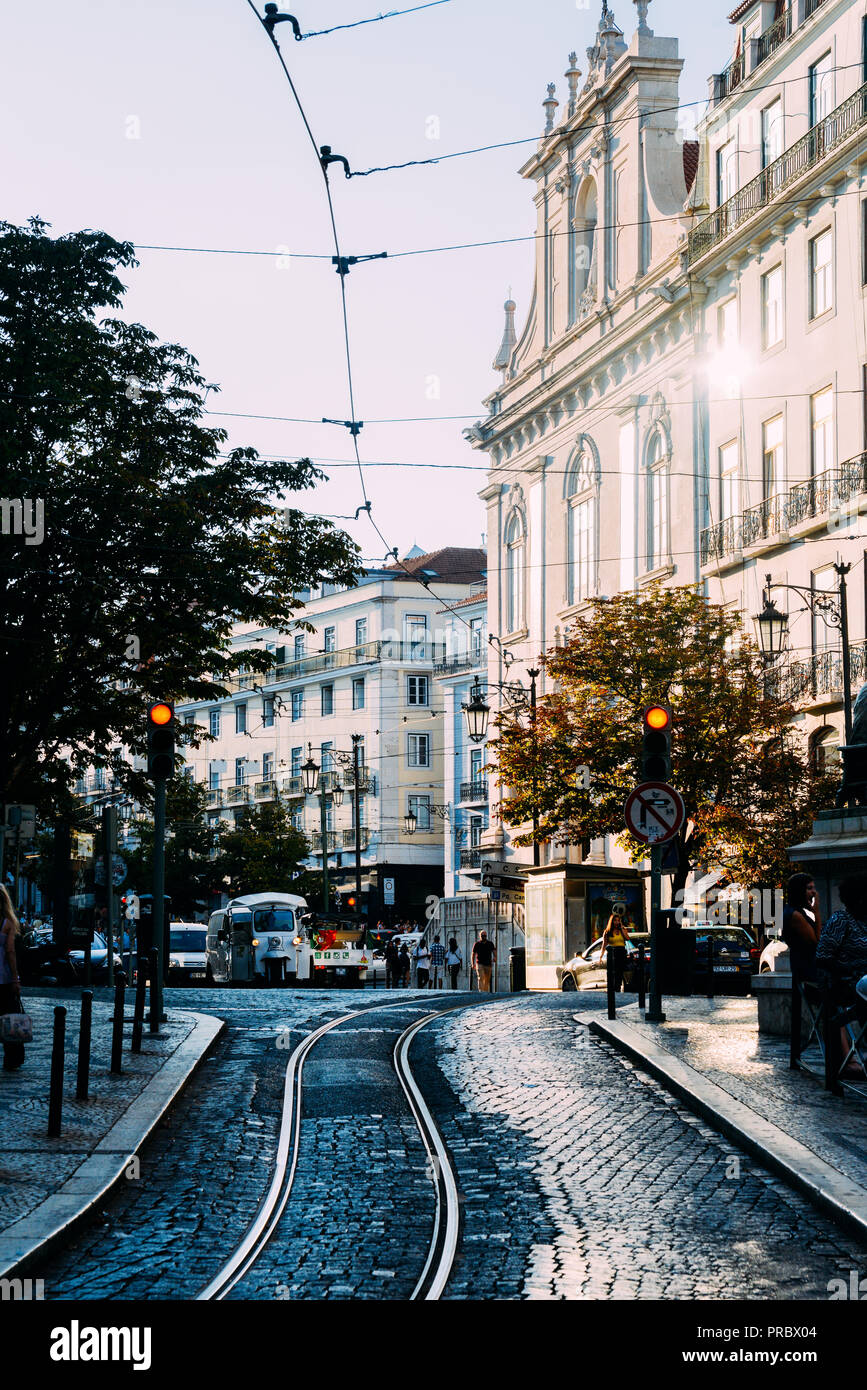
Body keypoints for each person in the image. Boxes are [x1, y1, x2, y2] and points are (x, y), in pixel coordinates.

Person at [816, 874, 867, 1078]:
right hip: (847, 983)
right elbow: (823, 957)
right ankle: (847, 1062)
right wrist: (847, 972)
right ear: (860, 899)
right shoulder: (841, 920)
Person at [0, 886, 25, 1072]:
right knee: (9, 1018)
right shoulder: (7, 922)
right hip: (3, 979)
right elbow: (10, 951)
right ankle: (12, 1058)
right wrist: (15, 978)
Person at [781, 872, 821, 984]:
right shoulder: (796, 915)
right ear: (799, 891)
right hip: (806, 970)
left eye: (814, 888)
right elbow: (816, 941)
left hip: (803, 968)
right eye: (809, 888)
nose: (814, 892)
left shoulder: (794, 911)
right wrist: (817, 912)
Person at [602, 909, 632, 992]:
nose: (617, 922)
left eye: (618, 920)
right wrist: (601, 956)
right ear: (612, 922)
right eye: (615, 920)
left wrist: (622, 928)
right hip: (612, 953)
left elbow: (627, 938)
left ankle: (617, 988)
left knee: (620, 972)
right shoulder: (607, 932)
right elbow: (604, 944)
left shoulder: (623, 930)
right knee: (613, 972)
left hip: (621, 952)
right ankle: (612, 988)